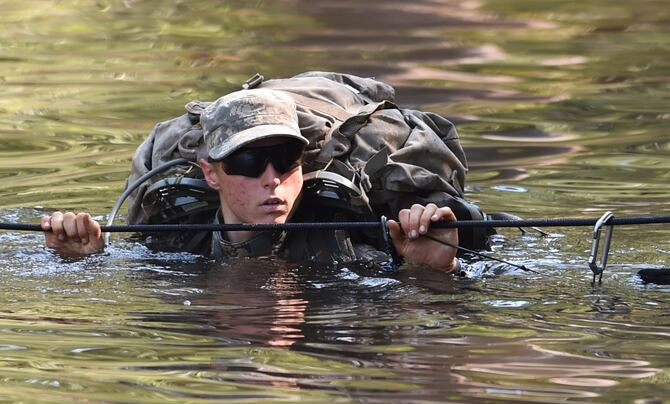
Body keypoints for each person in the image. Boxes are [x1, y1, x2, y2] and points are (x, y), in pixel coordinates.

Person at [41, 86, 462, 273]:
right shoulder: (172, 239)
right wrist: (85, 261)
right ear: (211, 174)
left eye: (285, 160)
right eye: (246, 162)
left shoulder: (351, 242)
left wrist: (427, 271)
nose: (271, 179)